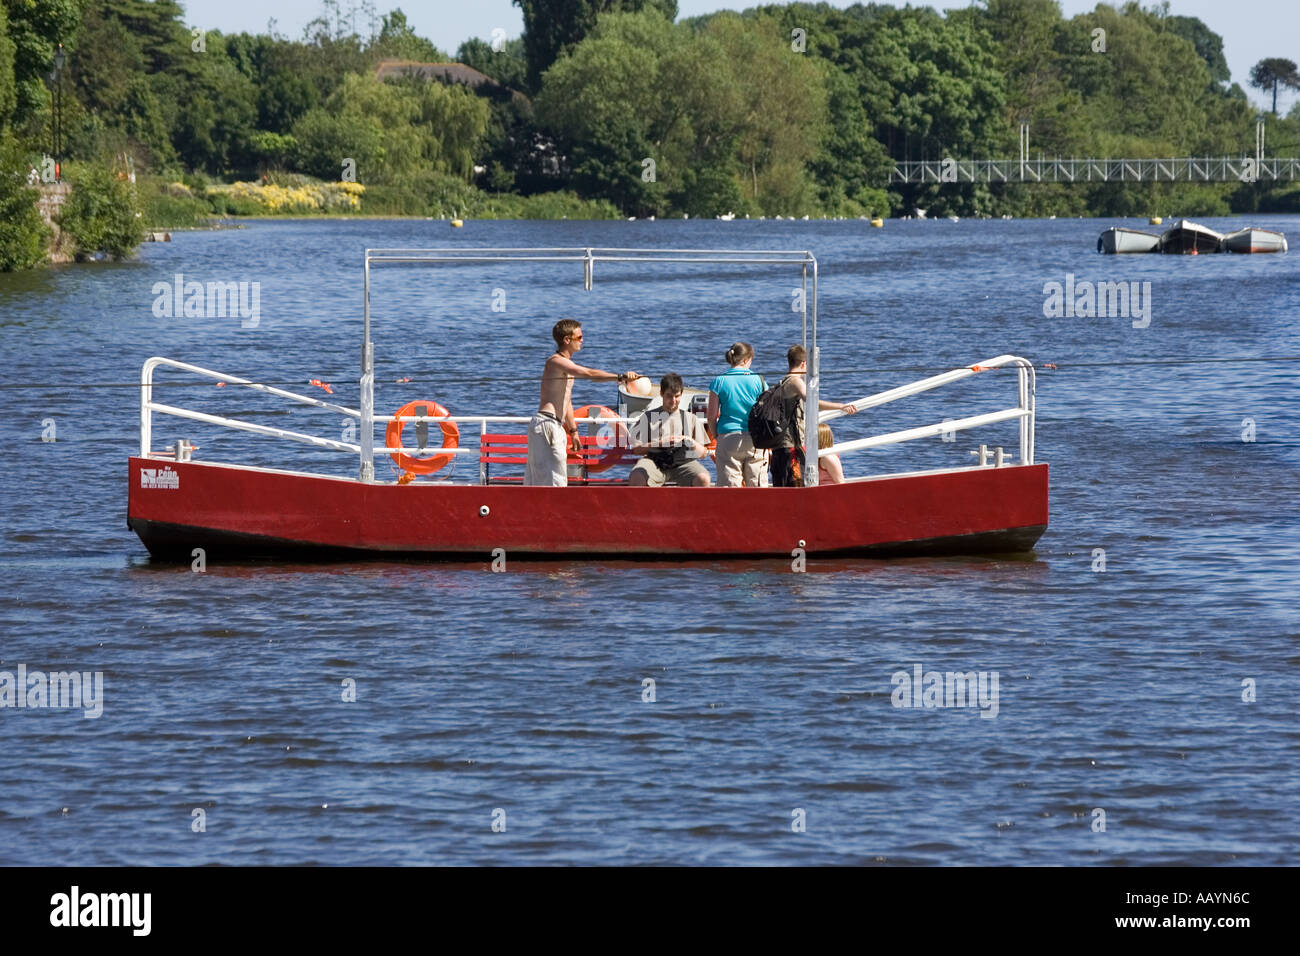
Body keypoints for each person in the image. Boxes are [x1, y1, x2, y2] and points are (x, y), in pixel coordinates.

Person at [526, 318, 639, 486]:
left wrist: (573, 431)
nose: (582, 340)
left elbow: (566, 402)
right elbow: (588, 373)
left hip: (556, 425)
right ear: (567, 340)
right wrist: (619, 376)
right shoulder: (555, 361)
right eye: (579, 337)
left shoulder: (566, 366)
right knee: (544, 480)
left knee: (557, 479)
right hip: (545, 423)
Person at [770, 345, 858, 487]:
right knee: (795, 489)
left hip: (779, 446)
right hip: (791, 447)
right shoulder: (795, 381)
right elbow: (812, 402)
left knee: (782, 490)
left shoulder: (780, 383)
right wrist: (840, 406)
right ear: (804, 363)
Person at [628, 373, 712, 487]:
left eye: (677, 396)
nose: (673, 400)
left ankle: (691, 505)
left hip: (684, 462)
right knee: (636, 477)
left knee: (703, 478)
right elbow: (636, 449)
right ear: (661, 394)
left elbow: (703, 453)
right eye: (669, 396)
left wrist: (688, 441)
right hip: (654, 461)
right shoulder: (648, 417)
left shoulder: (690, 418)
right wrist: (660, 443)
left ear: (681, 395)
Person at [708, 341, 768, 487]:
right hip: (755, 438)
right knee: (757, 486)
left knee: (730, 489)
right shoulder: (759, 380)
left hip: (728, 437)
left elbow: (711, 416)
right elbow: (766, 411)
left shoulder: (719, 381)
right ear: (746, 360)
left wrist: (717, 435)